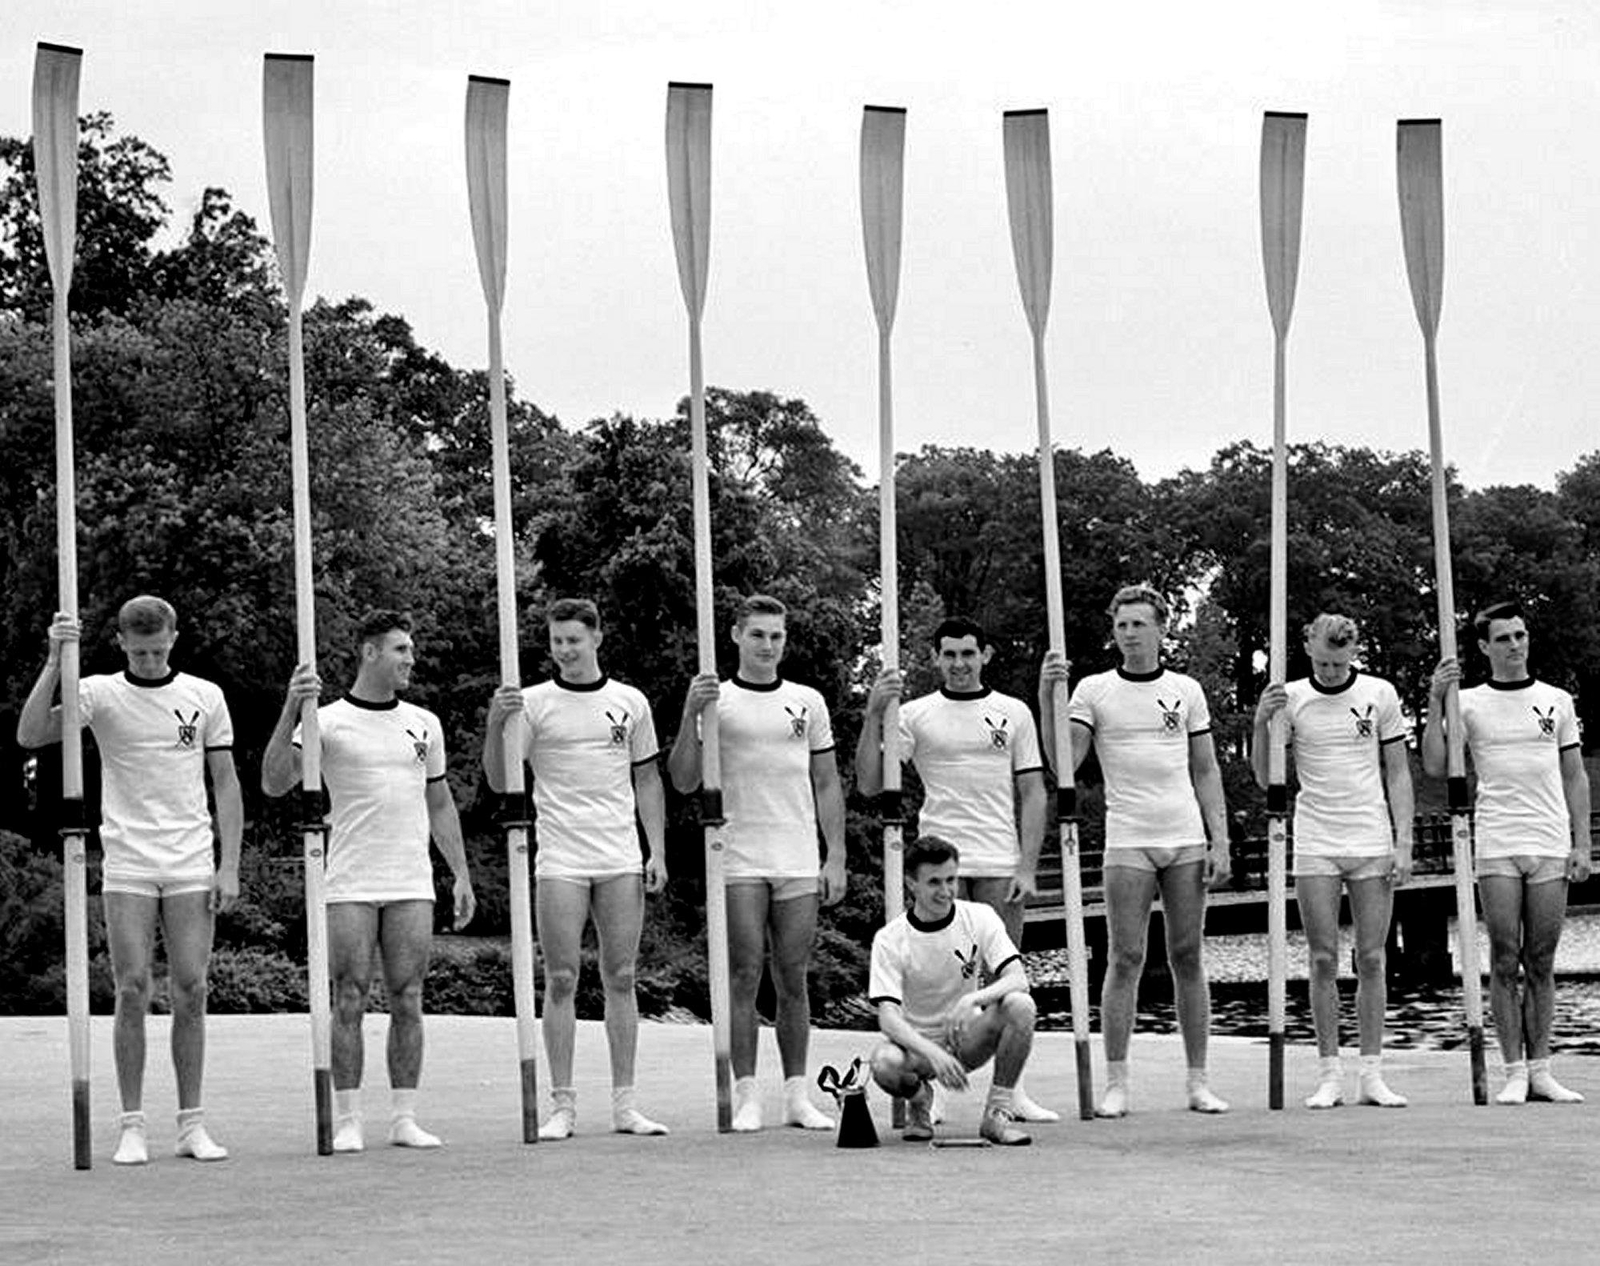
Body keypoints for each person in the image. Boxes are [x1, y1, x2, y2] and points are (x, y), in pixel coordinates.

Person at [18, 598, 243, 1165]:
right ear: (121, 642)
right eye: (139, 651)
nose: (148, 660)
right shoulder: (98, 692)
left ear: (173, 637)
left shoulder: (204, 696)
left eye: (159, 650)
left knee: (192, 988)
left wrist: (230, 865)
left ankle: (192, 1123)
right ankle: (132, 1124)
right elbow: (30, 734)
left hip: (190, 857)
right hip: (128, 859)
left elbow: (226, 783)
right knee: (132, 987)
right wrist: (53, 660)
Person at [263, 609, 475, 1152]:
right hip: (352, 877)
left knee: (408, 995)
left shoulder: (424, 722)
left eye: (410, 649)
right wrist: (292, 706)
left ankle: (404, 1116)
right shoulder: (326, 720)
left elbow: (440, 801)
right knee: (350, 995)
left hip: (410, 877)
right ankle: (348, 1116)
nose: (411, 658)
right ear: (370, 652)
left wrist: (461, 874)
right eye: (401, 649)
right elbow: (274, 782)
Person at [1039, 583, 1231, 1117]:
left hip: (1185, 835)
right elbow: (1064, 767)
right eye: (1121, 625)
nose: (1129, 634)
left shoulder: (1186, 690)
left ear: (1161, 628)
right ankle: (1117, 1081)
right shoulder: (1094, 690)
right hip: (1128, 837)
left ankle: (1198, 1081)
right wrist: (1045, 695)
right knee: (1125, 957)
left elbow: (1206, 768)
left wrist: (1221, 840)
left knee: (1187, 956)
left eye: (1139, 624)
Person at [855, 615, 1056, 1123]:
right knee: (940, 978)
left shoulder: (1013, 712)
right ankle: (932, 1083)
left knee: (1003, 982)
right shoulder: (915, 713)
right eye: (949, 654)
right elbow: (870, 783)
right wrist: (873, 712)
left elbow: (1033, 791)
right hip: (939, 857)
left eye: (969, 653)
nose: (959, 664)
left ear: (985, 655)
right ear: (937, 658)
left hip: (998, 856)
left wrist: (1028, 866)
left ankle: (1013, 1089)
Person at [483, 598, 669, 1139]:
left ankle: (625, 1103)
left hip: (618, 856)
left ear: (596, 639)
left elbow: (647, 780)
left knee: (622, 975)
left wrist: (655, 849)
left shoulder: (629, 702)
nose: (564, 650)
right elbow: (500, 780)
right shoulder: (533, 704)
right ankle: (562, 1105)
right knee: (562, 977)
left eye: (574, 640)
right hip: (562, 855)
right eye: (557, 641)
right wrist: (497, 724)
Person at [667, 593, 846, 1132]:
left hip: (795, 855)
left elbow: (826, 781)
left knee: (793, 976)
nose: (768, 645)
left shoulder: (807, 701)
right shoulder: (717, 700)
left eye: (777, 636)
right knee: (743, 975)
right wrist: (691, 713)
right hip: (739, 855)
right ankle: (748, 1093)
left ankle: (797, 1093)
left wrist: (834, 854)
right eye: (759, 635)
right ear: (737, 636)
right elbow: (683, 780)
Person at [1423, 600, 1592, 1105]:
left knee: (1541, 958)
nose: (1515, 645)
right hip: (1498, 838)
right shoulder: (1468, 702)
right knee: (1503, 956)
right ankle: (1513, 1069)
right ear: (1484, 647)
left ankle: (1542, 1069)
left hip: (1547, 839)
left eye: (1520, 635)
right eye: (1504, 638)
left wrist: (1581, 843)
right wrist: (1435, 702)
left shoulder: (1557, 700)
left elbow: (1574, 775)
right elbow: (1435, 764)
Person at [1252, 613, 1414, 1109]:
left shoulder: (1380, 694)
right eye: (1321, 661)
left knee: (1371, 956)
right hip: (1316, 837)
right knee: (1322, 957)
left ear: (1353, 654)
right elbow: (1265, 778)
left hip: (1369, 836)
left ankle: (1372, 1073)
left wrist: (1402, 841)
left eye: (1338, 663)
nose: (1328, 671)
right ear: (1306, 647)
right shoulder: (1292, 698)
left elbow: (1398, 774)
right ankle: (1329, 1074)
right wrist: (1262, 722)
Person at [868, 836, 1036, 1146]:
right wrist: (932, 1052)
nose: (945, 891)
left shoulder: (980, 916)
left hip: (967, 1037)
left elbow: (1017, 978)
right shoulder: (890, 939)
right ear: (911, 884)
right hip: (917, 1050)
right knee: (883, 1064)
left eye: (951, 880)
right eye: (934, 882)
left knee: (1021, 1005)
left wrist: (974, 998)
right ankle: (919, 1101)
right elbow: (888, 1020)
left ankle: (997, 1114)